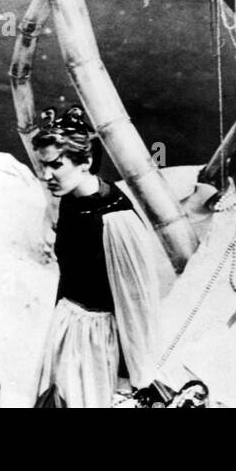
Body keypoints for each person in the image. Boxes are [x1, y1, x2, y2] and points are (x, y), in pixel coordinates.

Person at [32, 106, 164, 408]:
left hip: (101, 342)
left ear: (86, 161)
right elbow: (68, 274)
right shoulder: (68, 202)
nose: (46, 175)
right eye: (42, 166)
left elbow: (136, 304)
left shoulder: (115, 219)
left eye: (55, 164)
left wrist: (133, 374)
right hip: (67, 329)